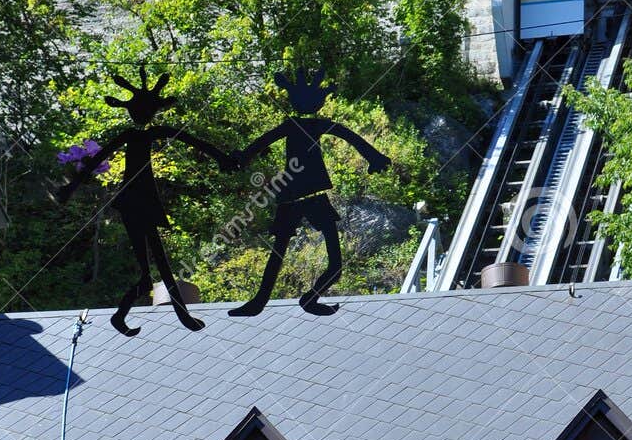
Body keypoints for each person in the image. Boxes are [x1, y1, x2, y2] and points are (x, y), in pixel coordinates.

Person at [58, 64, 230, 337]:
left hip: (136, 202)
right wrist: (71, 187)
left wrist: (222, 158)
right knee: (159, 262)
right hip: (137, 202)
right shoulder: (141, 135)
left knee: (148, 274)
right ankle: (181, 317)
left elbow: (188, 139)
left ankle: (122, 316)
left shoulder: (140, 135)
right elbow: (97, 160)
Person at [223, 68, 390, 318]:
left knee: (281, 255)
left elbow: (260, 144)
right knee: (328, 262)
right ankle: (302, 298)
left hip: (296, 197)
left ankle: (277, 301)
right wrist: (374, 157)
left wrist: (240, 159)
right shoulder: (314, 125)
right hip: (306, 197)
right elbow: (350, 137)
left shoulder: (294, 126)